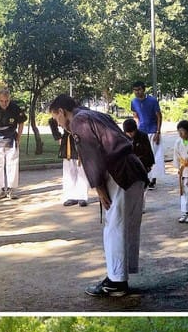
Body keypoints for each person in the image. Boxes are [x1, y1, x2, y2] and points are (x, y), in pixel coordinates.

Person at [49, 94, 147, 298]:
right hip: (132, 169)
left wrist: (99, 187)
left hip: (119, 172)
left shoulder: (78, 121)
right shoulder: (94, 114)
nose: (57, 123)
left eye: (56, 118)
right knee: (124, 225)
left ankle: (117, 282)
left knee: (115, 227)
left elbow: (91, 154)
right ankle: (118, 276)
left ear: (61, 111)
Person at [0, 87, 27, 200]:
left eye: (6, 101)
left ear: (9, 99)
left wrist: (19, 137)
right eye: (2, 101)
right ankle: (0, 189)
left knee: (12, 164)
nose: (4, 103)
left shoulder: (14, 107)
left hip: (11, 138)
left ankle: (11, 189)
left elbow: (21, 122)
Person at [49, 116, 89, 206]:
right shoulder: (62, 111)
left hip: (81, 141)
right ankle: (71, 196)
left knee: (82, 170)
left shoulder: (79, 112)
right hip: (68, 142)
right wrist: (58, 137)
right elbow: (52, 121)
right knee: (69, 170)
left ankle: (82, 197)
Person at [130, 81, 164, 188]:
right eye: (135, 90)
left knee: (155, 155)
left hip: (153, 131)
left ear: (144, 89)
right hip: (141, 133)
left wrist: (158, 132)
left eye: (139, 89)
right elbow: (135, 117)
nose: (137, 92)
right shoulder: (133, 102)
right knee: (142, 155)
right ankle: (145, 178)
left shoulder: (152, 101)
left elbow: (159, 116)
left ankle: (153, 179)